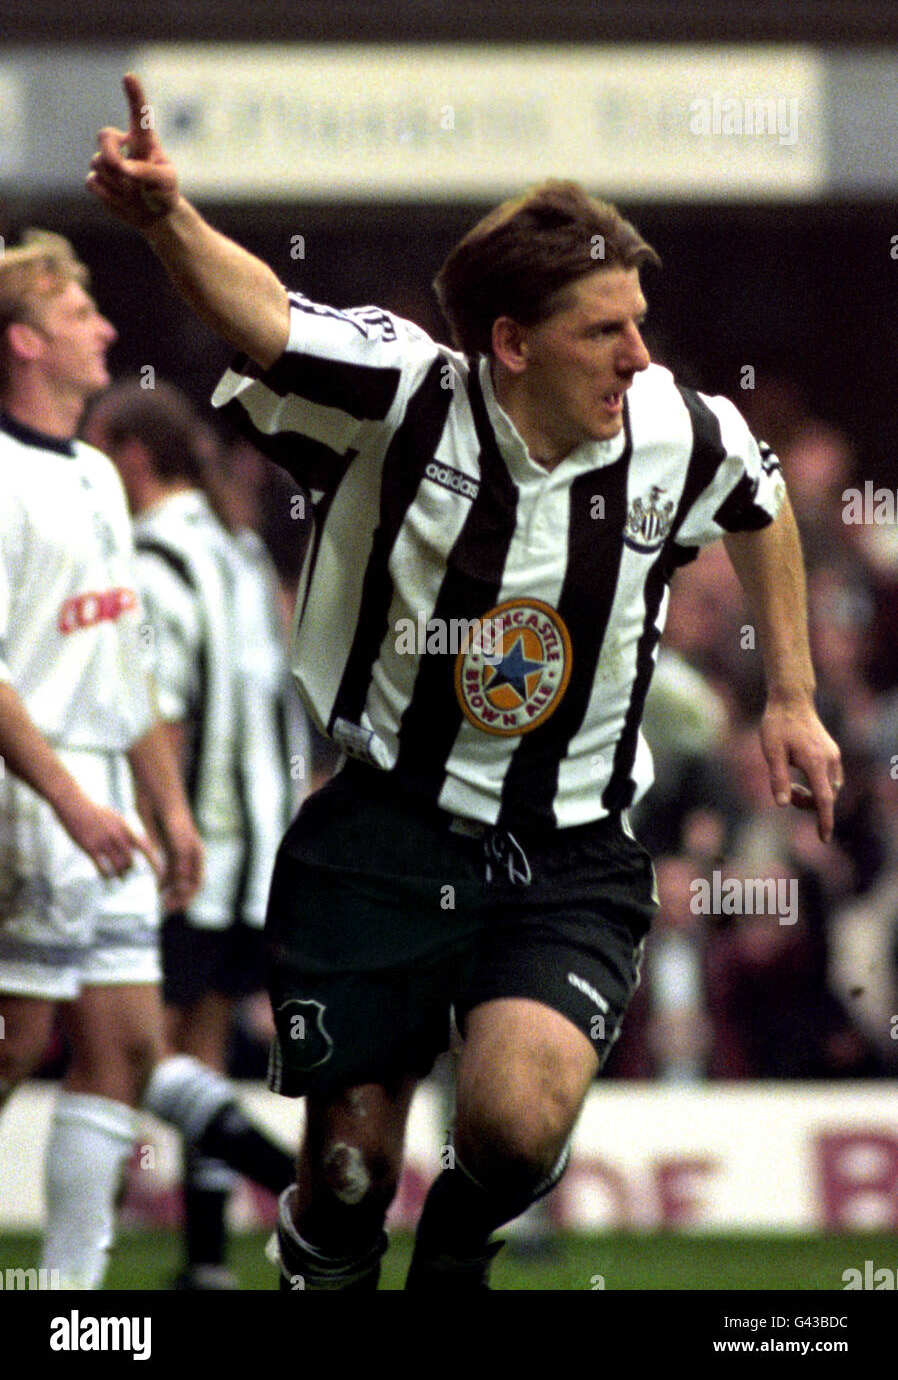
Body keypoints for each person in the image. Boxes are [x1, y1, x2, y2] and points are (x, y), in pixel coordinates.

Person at [87, 75, 843, 1291]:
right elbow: (269, 320)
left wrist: (790, 694)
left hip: (570, 848)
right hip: (384, 831)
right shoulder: (399, 394)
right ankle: (324, 1261)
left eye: (640, 320)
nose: (640, 355)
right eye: (608, 329)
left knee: (514, 1123)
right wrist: (168, 219)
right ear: (511, 342)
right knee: (344, 1175)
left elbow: (760, 504)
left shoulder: (670, 425)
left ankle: (453, 1261)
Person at [0, 231, 293, 1290]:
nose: (108, 331)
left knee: (123, 1048)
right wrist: (74, 799)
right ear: (27, 341)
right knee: (20, 1038)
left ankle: (69, 1302)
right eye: (83, 316)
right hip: (30, 790)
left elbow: (124, 662)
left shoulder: (91, 473)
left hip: (110, 797)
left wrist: (168, 810)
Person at [85, 377, 301, 1288]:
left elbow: (159, 710)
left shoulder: (151, 559)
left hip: (181, 850)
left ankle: (296, 1187)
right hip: (253, 854)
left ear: (133, 456)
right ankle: (209, 1262)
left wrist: (150, 825)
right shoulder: (242, 552)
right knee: (197, 1054)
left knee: (123, 1055)